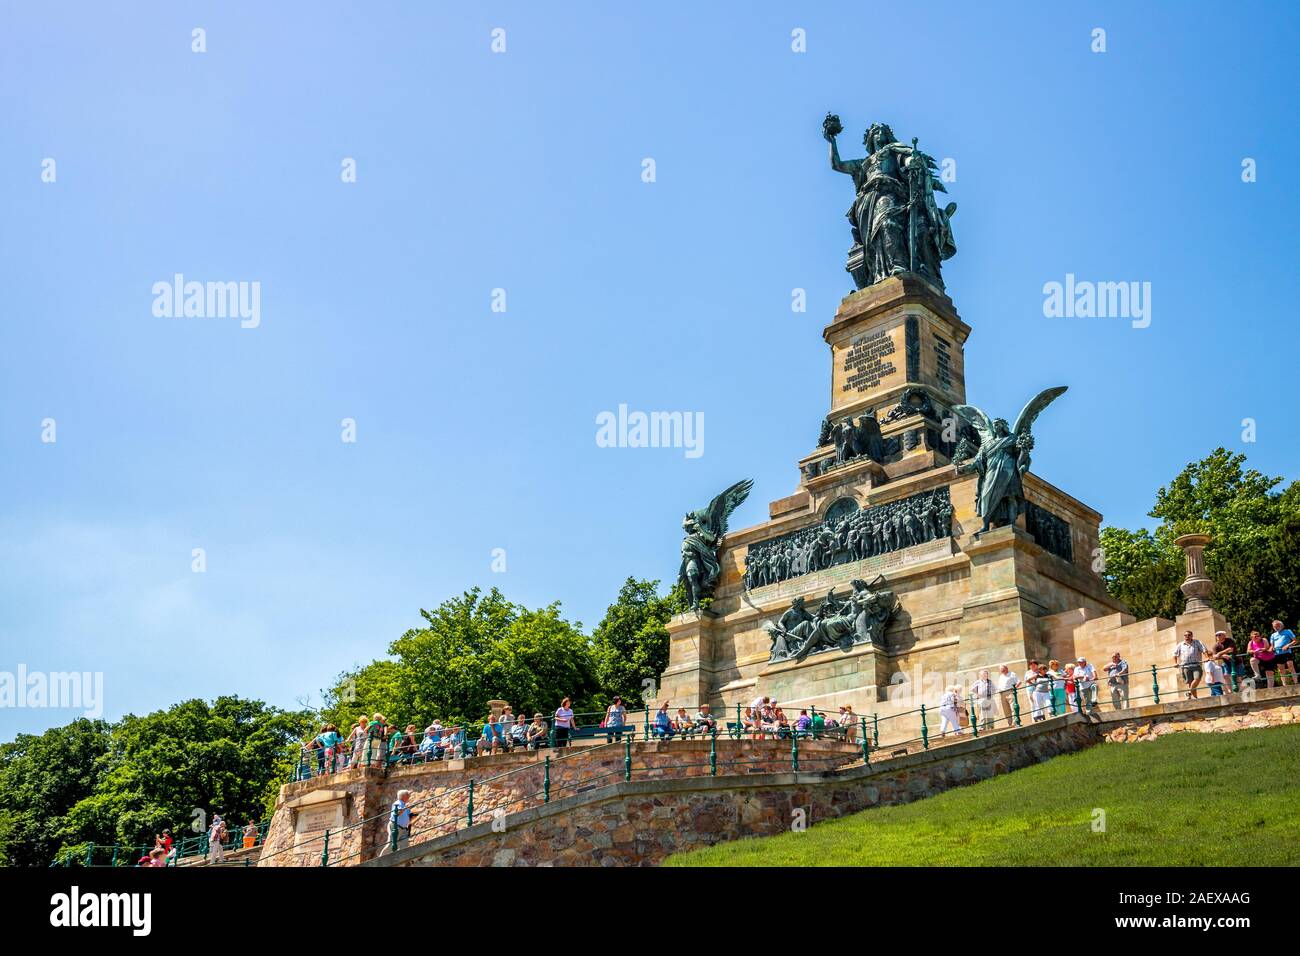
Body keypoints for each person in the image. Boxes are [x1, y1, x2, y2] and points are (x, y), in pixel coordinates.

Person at [1173, 630, 1208, 699]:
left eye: (1189, 635)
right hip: (1185, 666)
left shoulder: (1197, 642)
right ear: (1184, 636)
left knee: (1197, 679)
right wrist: (1175, 663)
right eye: (1185, 635)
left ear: (1192, 636)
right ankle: (1195, 698)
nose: (1187, 637)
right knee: (1190, 683)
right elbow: (1175, 654)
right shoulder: (1180, 644)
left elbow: (1204, 650)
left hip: (1196, 665)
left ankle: (1189, 692)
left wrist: (1207, 657)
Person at [380, 789, 415, 856]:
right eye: (408, 795)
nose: (409, 797)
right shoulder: (397, 803)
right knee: (391, 844)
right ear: (404, 796)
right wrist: (405, 808)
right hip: (395, 826)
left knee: (404, 845)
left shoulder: (405, 805)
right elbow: (397, 813)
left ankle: (403, 859)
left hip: (404, 828)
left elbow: (409, 816)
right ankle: (380, 860)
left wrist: (416, 814)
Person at [1270, 621, 1298, 686]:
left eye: (1277, 626)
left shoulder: (1288, 631)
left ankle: (1296, 683)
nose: (1276, 627)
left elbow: (1295, 641)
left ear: (1281, 625)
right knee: (1281, 670)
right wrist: (1272, 648)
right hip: (1277, 654)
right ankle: (1284, 685)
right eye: (1274, 626)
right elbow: (1272, 646)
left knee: (1291, 666)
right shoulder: (1273, 635)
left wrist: (1287, 645)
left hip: (1287, 652)